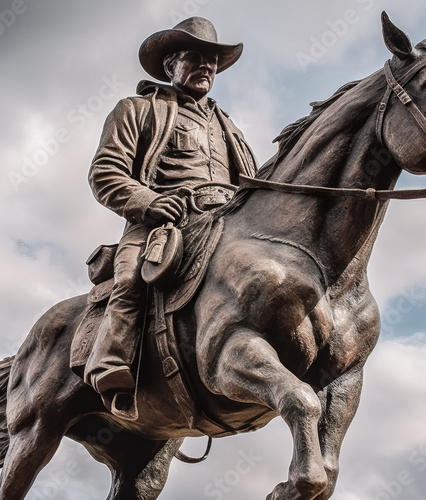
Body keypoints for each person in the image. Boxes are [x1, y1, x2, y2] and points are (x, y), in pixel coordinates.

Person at [84, 16, 257, 418]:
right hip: (164, 224)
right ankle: (112, 364)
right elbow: (105, 173)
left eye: (212, 60)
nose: (206, 66)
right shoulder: (137, 110)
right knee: (130, 279)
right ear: (171, 65)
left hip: (229, 219)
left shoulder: (228, 127)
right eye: (195, 57)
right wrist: (147, 203)